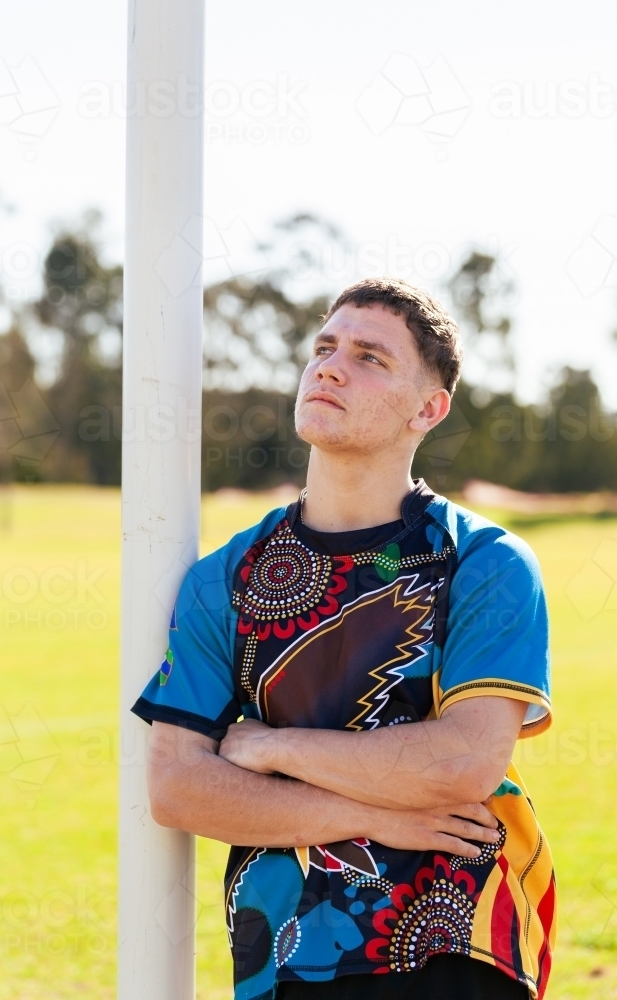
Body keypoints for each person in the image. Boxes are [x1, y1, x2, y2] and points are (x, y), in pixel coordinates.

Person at [132, 277, 556, 1000]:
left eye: (369, 357)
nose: (329, 366)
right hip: (286, 939)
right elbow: (178, 788)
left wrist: (267, 748)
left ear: (429, 408)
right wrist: (375, 810)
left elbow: (461, 763)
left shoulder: (482, 561)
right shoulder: (224, 577)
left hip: (454, 935)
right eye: (324, 348)